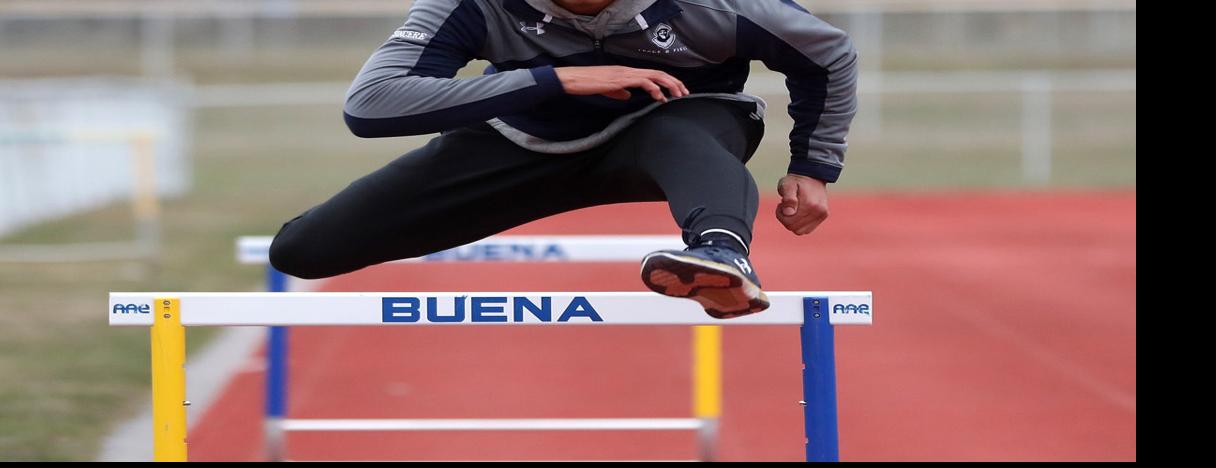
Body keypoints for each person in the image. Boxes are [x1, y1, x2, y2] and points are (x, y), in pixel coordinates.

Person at [270, 0, 858, 319]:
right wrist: (554, 79)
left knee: (683, 130)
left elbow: (828, 52)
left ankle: (721, 254)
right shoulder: (473, 5)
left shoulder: (716, 5)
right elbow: (371, 103)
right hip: (523, 143)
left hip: (673, 126)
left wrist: (812, 165)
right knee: (302, 250)